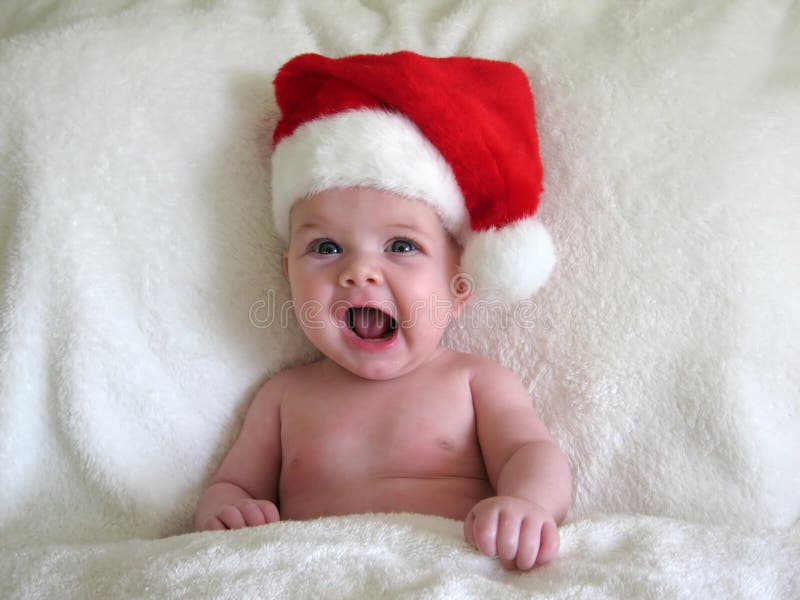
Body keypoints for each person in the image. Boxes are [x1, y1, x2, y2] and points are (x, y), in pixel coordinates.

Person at [194, 52, 571, 571]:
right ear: (288, 273)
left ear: (459, 287)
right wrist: (228, 510)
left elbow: (532, 453)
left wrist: (528, 506)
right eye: (326, 248)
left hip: (444, 570)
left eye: (401, 246)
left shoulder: (474, 382)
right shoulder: (284, 398)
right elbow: (232, 485)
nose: (359, 272)